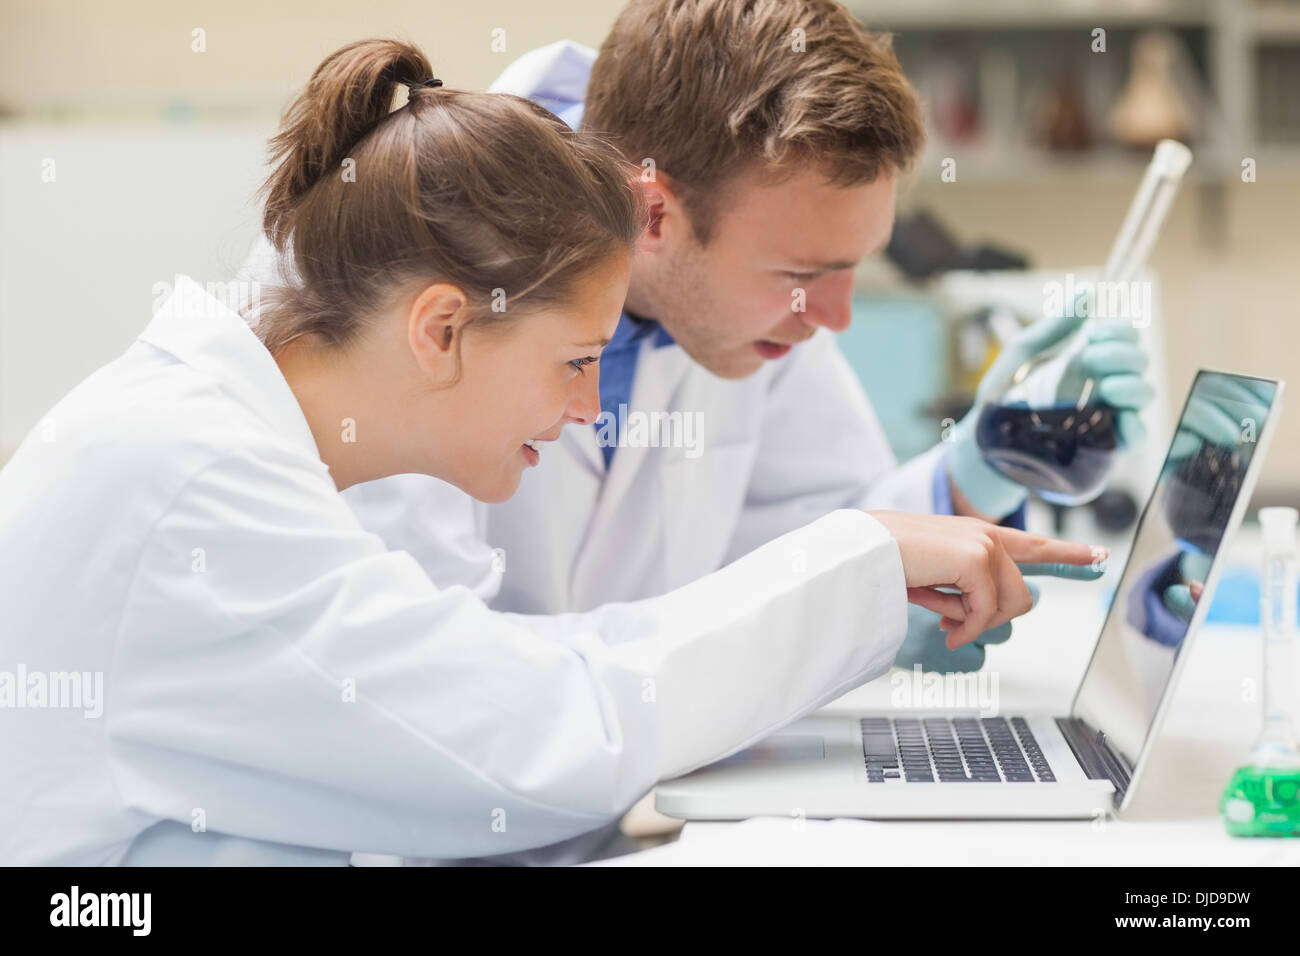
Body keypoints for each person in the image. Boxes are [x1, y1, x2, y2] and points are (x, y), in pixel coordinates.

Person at [0, 38, 1099, 866]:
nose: (591, 407)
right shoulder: (196, 487)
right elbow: (526, 734)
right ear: (440, 329)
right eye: (579, 360)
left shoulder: (233, 438)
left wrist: (885, 557)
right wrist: (860, 563)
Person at [240, 0, 1149, 679]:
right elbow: (453, 690)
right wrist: (821, 625)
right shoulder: (420, 264)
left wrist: (976, 469)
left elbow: (819, 526)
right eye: (800, 277)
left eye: (851, 270)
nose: (833, 319)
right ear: (653, 213)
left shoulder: (741, 288)